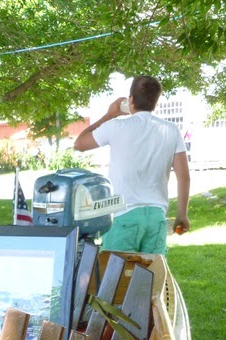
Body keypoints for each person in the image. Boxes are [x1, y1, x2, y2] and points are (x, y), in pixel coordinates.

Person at [74, 75, 190, 255]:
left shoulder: (115, 126)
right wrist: (182, 214)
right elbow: (183, 177)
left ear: (131, 100)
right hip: (156, 217)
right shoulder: (171, 130)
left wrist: (109, 114)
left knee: (116, 279)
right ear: (156, 101)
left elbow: (79, 143)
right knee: (152, 278)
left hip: (123, 214)